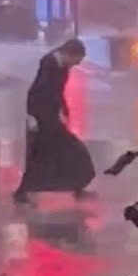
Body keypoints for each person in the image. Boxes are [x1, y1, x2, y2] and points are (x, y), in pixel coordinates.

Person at [12, 38, 96, 204]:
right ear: (70, 54)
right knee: (46, 154)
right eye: (77, 60)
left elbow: (58, 91)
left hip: (50, 115)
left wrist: (63, 108)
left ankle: (76, 184)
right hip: (42, 115)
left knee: (60, 151)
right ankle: (25, 190)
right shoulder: (49, 64)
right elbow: (42, 91)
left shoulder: (61, 66)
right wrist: (38, 117)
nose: (76, 64)